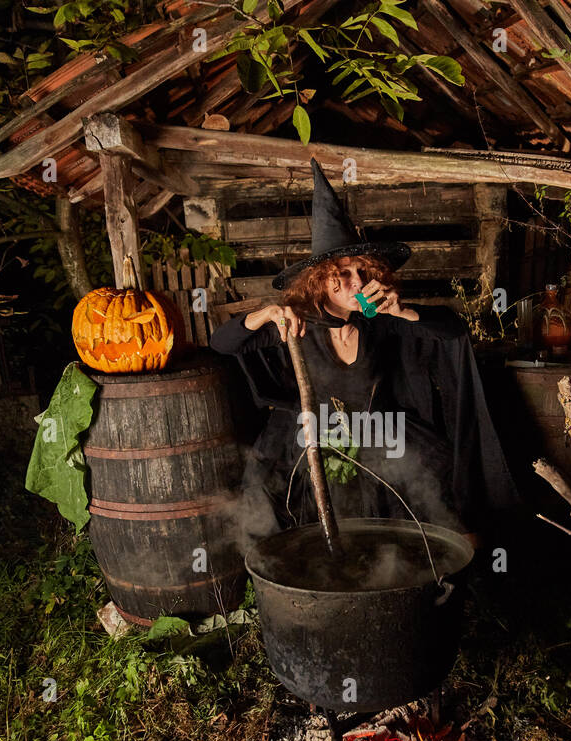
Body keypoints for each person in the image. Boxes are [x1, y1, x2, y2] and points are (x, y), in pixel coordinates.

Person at [210, 160, 519, 546]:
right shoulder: (295, 323)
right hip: (311, 432)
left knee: (433, 473)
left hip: (380, 429)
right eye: (342, 272)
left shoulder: (383, 320)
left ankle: (442, 568)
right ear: (319, 278)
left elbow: (452, 331)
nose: (355, 281)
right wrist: (264, 314)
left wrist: (403, 311)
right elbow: (221, 344)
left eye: (361, 270)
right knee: (271, 486)